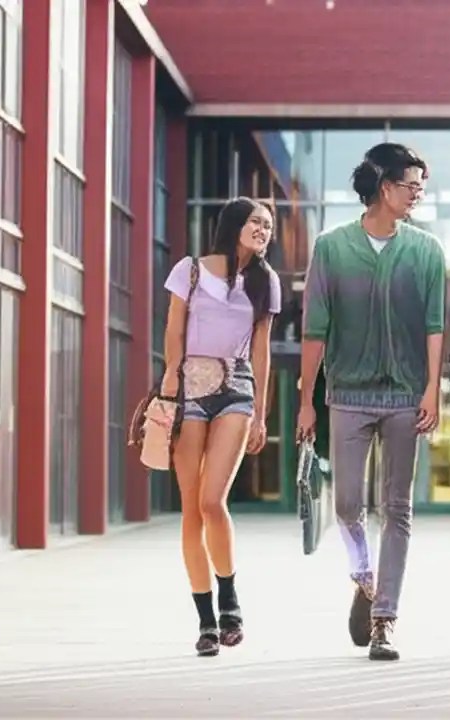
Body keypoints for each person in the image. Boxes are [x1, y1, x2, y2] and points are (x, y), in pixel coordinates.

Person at [296, 142, 446, 661]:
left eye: (421, 187)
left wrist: (432, 387)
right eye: (411, 186)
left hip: (405, 395)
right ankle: (364, 576)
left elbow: (434, 325)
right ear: (384, 188)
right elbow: (315, 328)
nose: (418, 194)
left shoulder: (426, 250)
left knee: (398, 508)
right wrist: (306, 400)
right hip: (348, 394)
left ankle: (385, 618)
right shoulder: (331, 248)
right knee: (346, 505)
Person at [163, 196, 280, 656]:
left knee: (213, 500)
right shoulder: (190, 270)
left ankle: (229, 596)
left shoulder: (265, 281)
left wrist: (262, 413)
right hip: (189, 388)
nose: (263, 229)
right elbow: (174, 330)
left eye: (268, 224)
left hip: (236, 387)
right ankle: (206, 621)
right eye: (255, 221)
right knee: (191, 508)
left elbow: (262, 350)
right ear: (233, 224)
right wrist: (170, 379)